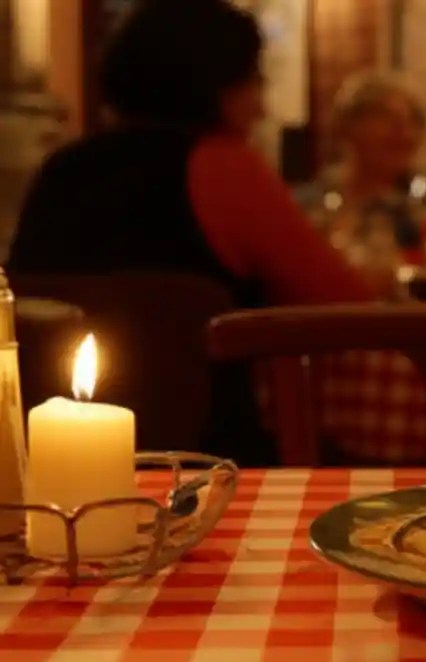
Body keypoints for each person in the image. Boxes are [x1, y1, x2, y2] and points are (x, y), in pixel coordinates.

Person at [5, 0, 379, 460]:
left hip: (55, 457)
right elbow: (348, 308)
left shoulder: (62, 168)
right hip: (215, 462)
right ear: (217, 87)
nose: (261, 105)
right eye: (253, 80)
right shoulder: (222, 165)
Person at [298, 72, 426, 264]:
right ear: (349, 126)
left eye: (412, 121)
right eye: (387, 118)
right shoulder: (309, 208)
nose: (404, 132)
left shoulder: (421, 213)